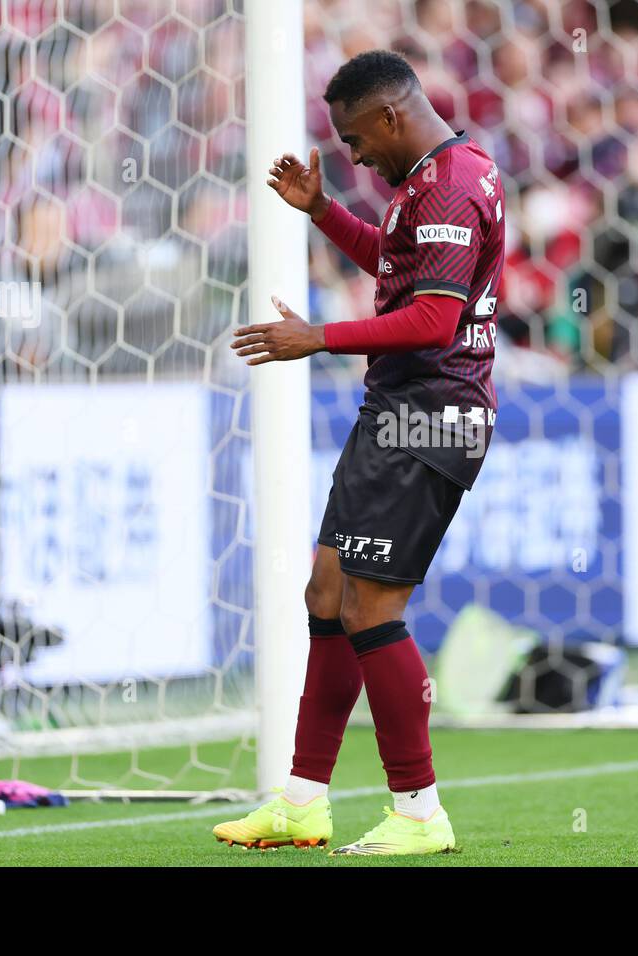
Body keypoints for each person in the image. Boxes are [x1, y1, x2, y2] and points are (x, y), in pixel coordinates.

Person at [218, 50, 505, 854]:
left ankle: (419, 811)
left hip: (430, 413)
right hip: (398, 409)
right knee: (328, 589)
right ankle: (303, 800)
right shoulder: (439, 175)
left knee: (373, 607)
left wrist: (319, 337)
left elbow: (434, 321)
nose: (353, 156)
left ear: (389, 115)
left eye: (352, 139)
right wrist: (324, 213)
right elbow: (403, 276)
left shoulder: (448, 186)